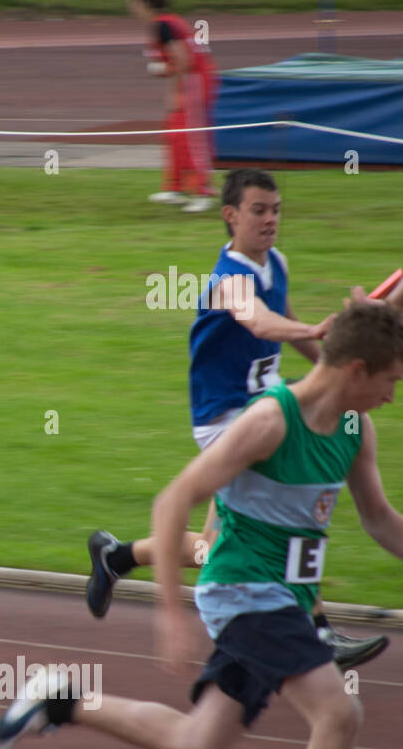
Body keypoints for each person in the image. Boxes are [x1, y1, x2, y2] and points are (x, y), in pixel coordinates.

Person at [0, 301, 403, 749]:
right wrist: (169, 612)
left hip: (287, 602)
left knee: (200, 744)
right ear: (356, 369)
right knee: (338, 712)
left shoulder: (356, 428)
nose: (392, 395)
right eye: (390, 380)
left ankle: (61, 700)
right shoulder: (269, 421)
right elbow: (174, 499)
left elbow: (380, 520)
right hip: (243, 592)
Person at [86, 168, 388, 670]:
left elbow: (286, 326)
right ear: (230, 216)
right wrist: (313, 326)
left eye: (275, 210)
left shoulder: (277, 264)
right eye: (258, 210)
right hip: (225, 414)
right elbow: (259, 320)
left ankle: (115, 556)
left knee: (210, 546)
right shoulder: (227, 280)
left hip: (265, 402)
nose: (270, 219)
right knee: (293, 498)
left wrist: (332, 367)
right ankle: (317, 629)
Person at [127, 0, 218, 213]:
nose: (131, 8)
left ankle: (203, 192)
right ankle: (175, 187)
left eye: (134, 3)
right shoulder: (164, 23)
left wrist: (170, 83)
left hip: (194, 81)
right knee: (174, 135)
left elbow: (183, 61)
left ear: (145, 4)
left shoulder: (164, 25)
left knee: (192, 138)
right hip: (187, 81)